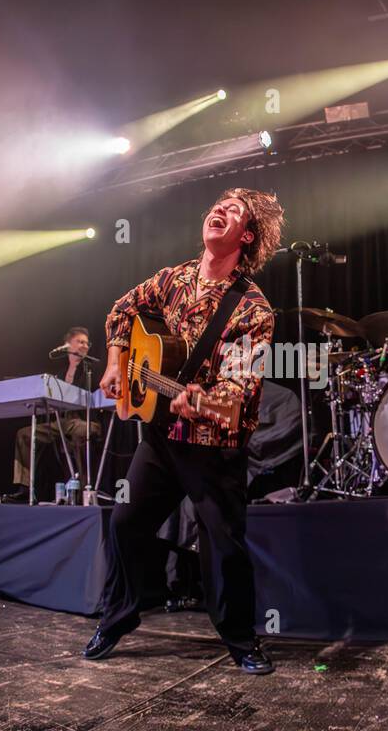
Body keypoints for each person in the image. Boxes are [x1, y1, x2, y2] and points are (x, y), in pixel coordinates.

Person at [85, 187, 283, 674]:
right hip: (159, 436)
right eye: (218, 204)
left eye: (233, 211)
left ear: (247, 236)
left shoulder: (254, 310)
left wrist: (200, 401)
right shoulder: (172, 279)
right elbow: (121, 310)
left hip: (213, 446)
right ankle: (119, 617)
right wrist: (116, 363)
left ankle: (240, 639)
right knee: (125, 524)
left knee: (223, 543)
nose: (219, 209)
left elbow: (238, 391)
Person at [11, 326, 103, 496]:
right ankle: (25, 489)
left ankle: (83, 491)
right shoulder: (59, 375)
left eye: (86, 343)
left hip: (84, 421)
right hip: (62, 423)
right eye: (79, 341)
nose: (84, 345)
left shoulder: (91, 370)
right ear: (67, 345)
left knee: (81, 432)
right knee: (24, 434)